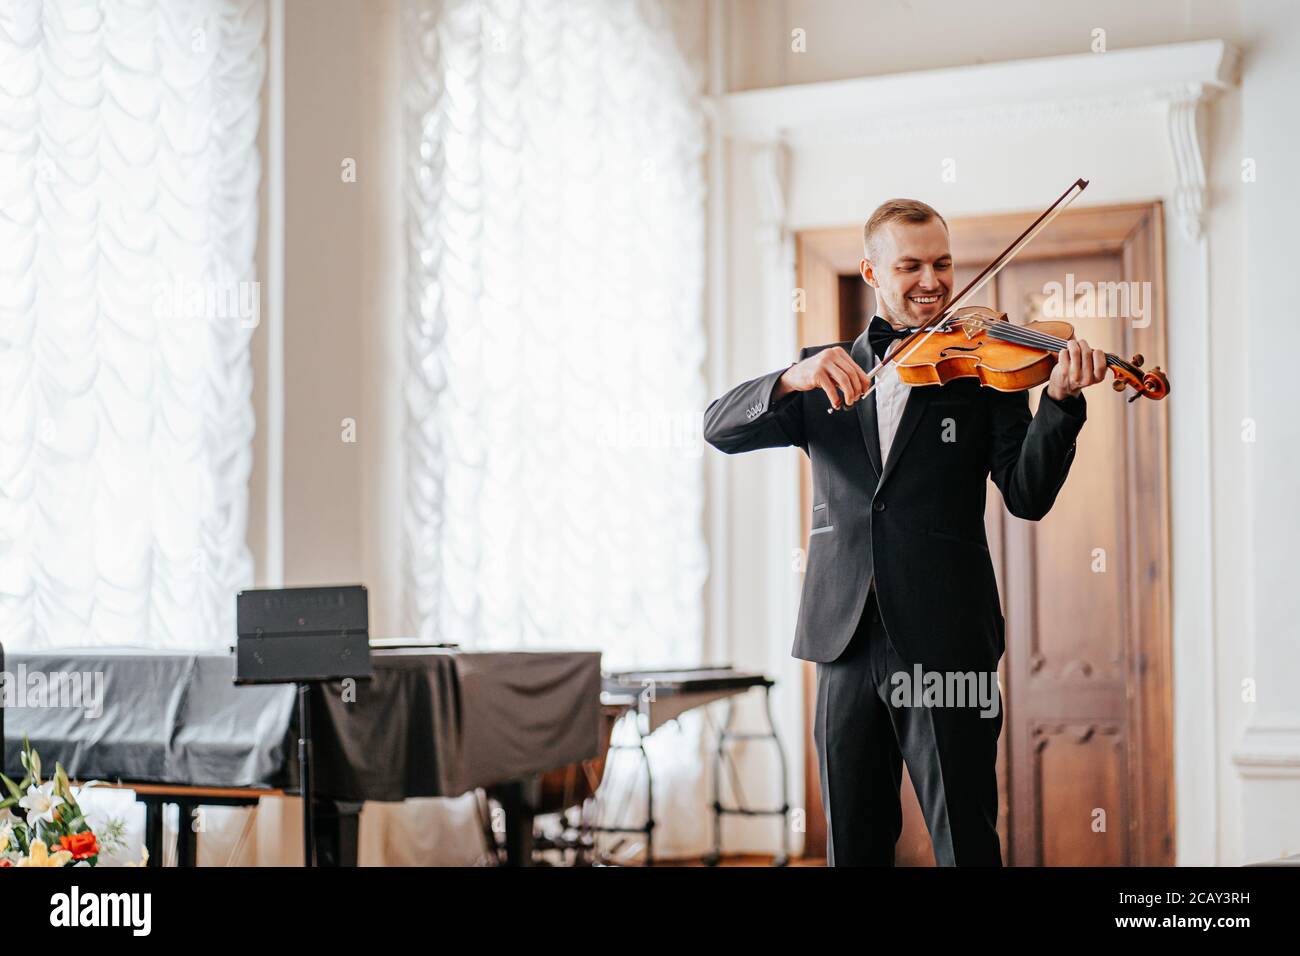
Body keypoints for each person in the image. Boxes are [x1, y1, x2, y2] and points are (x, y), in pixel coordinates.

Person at [702, 198, 1108, 866]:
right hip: (843, 642)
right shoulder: (821, 373)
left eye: (944, 263)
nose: (933, 279)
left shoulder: (986, 371)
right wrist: (789, 378)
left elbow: (1029, 495)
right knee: (854, 846)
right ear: (871, 270)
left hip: (947, 641)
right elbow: (718, 428)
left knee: (966, 844)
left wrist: (1059, 405)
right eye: (912, 264)